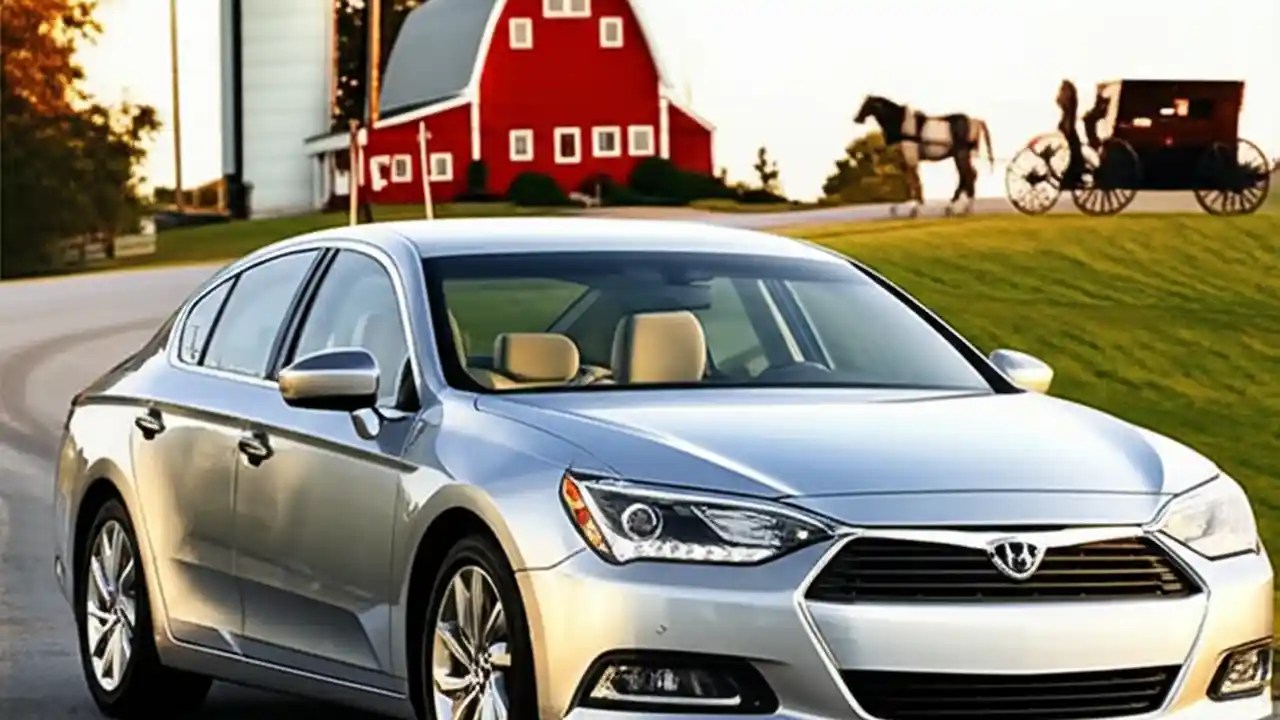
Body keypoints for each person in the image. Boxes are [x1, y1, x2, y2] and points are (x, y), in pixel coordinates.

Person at [1056, 79, 1086, 188]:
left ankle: (1074, 173)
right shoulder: (1071, 99)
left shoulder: (1069, 99)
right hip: (1067, 124)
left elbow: (1059, 101)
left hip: (1066, 124)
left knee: (1074, 147)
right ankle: (1075, 173)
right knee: (1074, 147)